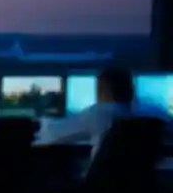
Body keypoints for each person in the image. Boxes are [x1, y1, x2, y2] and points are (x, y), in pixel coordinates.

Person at [40, 66, 171, 159]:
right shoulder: (151, 119)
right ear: (131, 89)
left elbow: (52, 133)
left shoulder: (97, 113)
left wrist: (42, 122)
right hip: (138, 190)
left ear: (104, 89)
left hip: (100, 189)